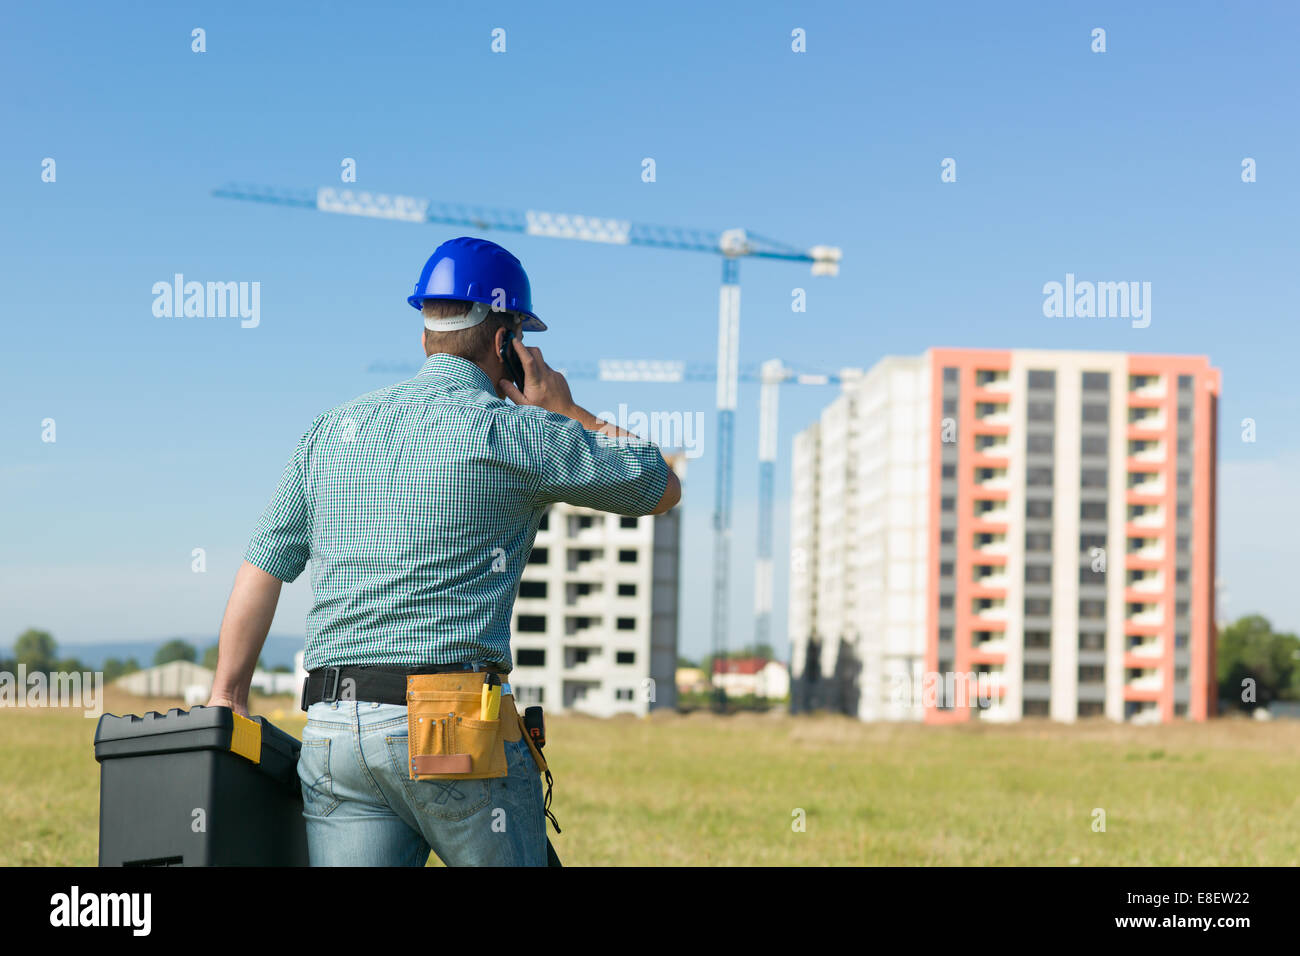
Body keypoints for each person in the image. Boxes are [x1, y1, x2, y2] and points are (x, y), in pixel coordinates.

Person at [205, 236, 681, 865]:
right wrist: (568, 409)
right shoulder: (517, 432)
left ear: (427, 329)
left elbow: (263, 565)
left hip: (332, 729)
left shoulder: (334, 430)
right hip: (449, 728)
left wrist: (228, 696)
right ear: (504, 339)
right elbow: (657, 482)